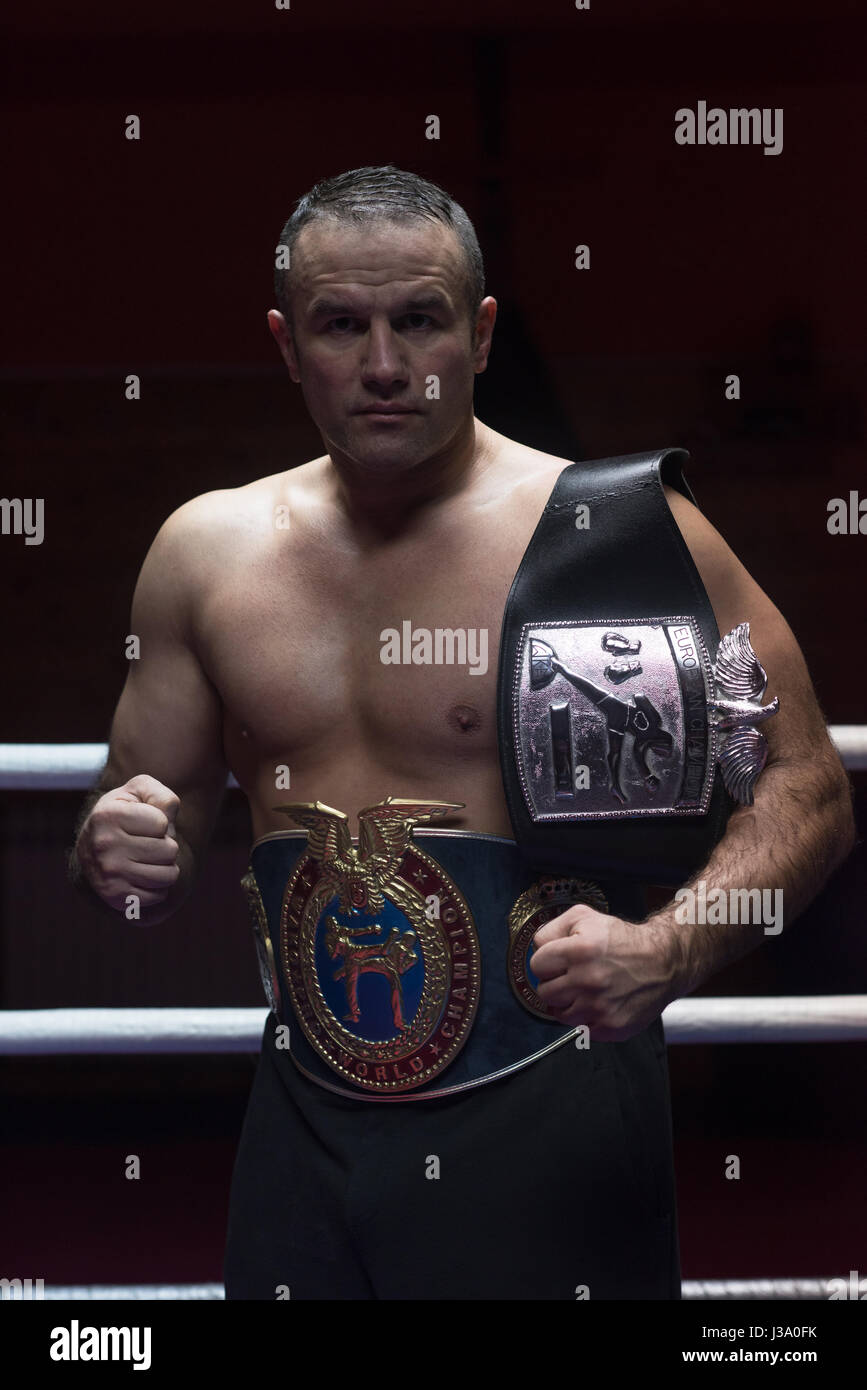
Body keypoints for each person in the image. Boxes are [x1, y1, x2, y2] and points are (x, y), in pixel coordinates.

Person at [69, 165, 855, 1300]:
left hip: (553, 1099)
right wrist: (123, 841)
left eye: (420, 320)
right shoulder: (206, 554)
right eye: (344, 325)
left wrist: (672, 947)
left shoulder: (619, 538)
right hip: (304, 1119)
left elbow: (805, 787)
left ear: (481, 335)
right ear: (290, 344)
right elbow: (154, 816)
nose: (385, 366)